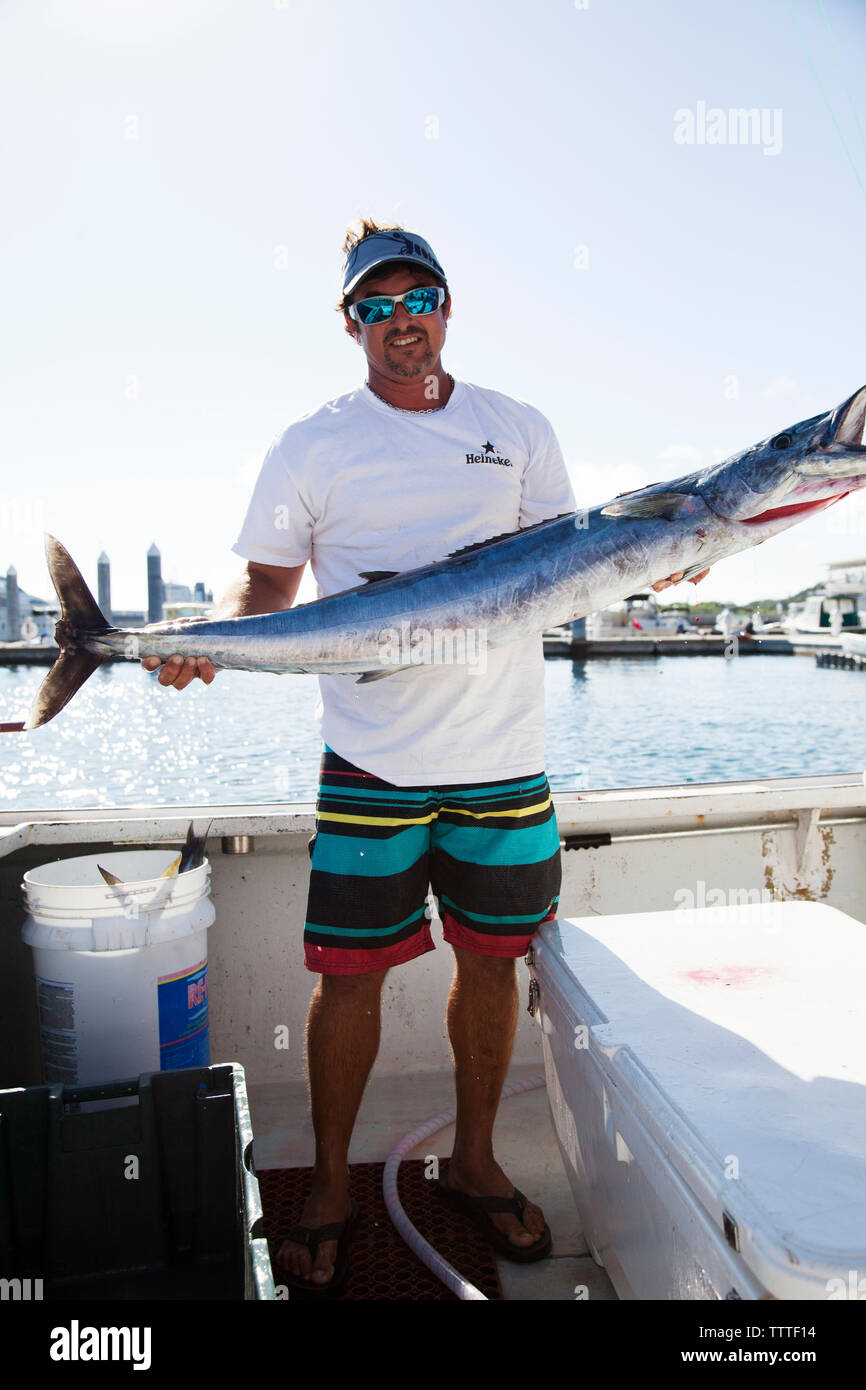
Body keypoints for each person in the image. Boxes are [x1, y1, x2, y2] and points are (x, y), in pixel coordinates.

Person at [142, 221, 708, 1293]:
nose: (400, 323)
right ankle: (329, 1188)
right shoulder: (309, 444)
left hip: (504, 755)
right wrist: (202, 642)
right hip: (369, 761)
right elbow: (263, 594)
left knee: (492, 962)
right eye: (375, 307)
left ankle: (479, 1157)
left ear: (446, 306)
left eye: (418, 301)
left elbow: (569, 564)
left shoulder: (518, 427)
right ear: (348, 322)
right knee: (345, 978)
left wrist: (656, 564)